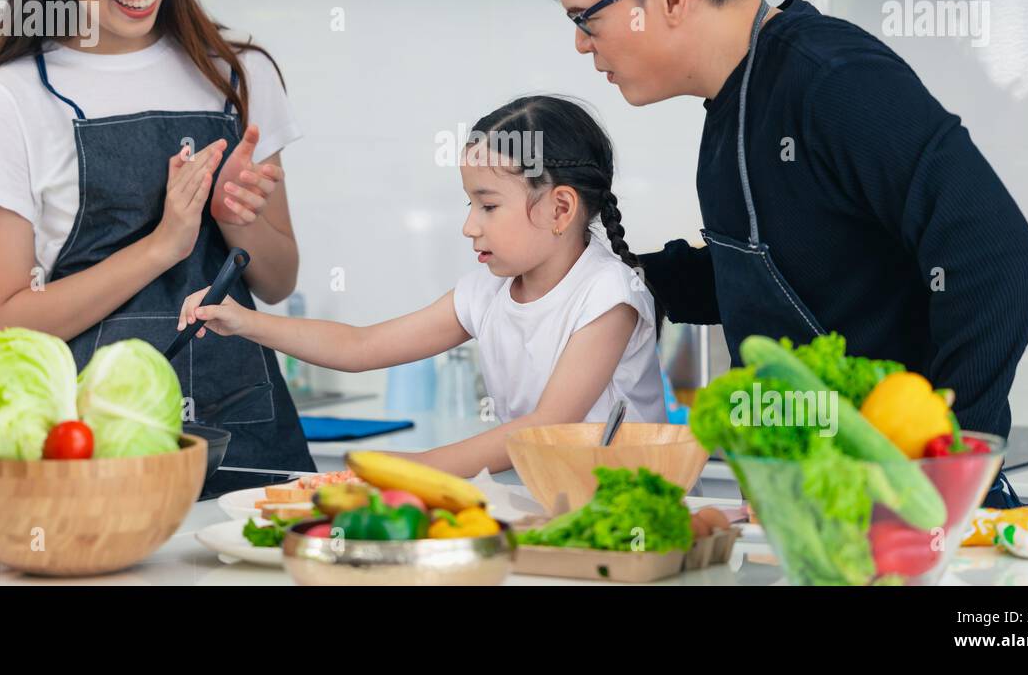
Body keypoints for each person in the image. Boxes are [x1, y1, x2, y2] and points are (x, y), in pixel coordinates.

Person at [525, 0, 1028, 508]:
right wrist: (599, 279)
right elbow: (776, 271)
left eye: (584, 17)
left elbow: (992, 252)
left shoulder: (833, 79)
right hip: (825, 503)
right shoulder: (734, 106)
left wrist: (949, 465)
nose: (582, 44)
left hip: (906, 511)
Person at [0, 0, 314, 491]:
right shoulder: (13, 98)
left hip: (248, 436)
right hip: (94, 450)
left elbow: (278, 279)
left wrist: (233, 216)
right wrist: (161, 247)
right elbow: (4, 324)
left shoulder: (238, 74)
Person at [178, 96, 667, 478]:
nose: (469, 227)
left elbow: (546, 426)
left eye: (488, 206)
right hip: (556, 501)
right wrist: (245, 321)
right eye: (468, 205)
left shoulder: (607, 293)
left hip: (637, 512)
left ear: (560, 209)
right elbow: (360, 346)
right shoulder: (484, 294)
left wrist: (412, 468)